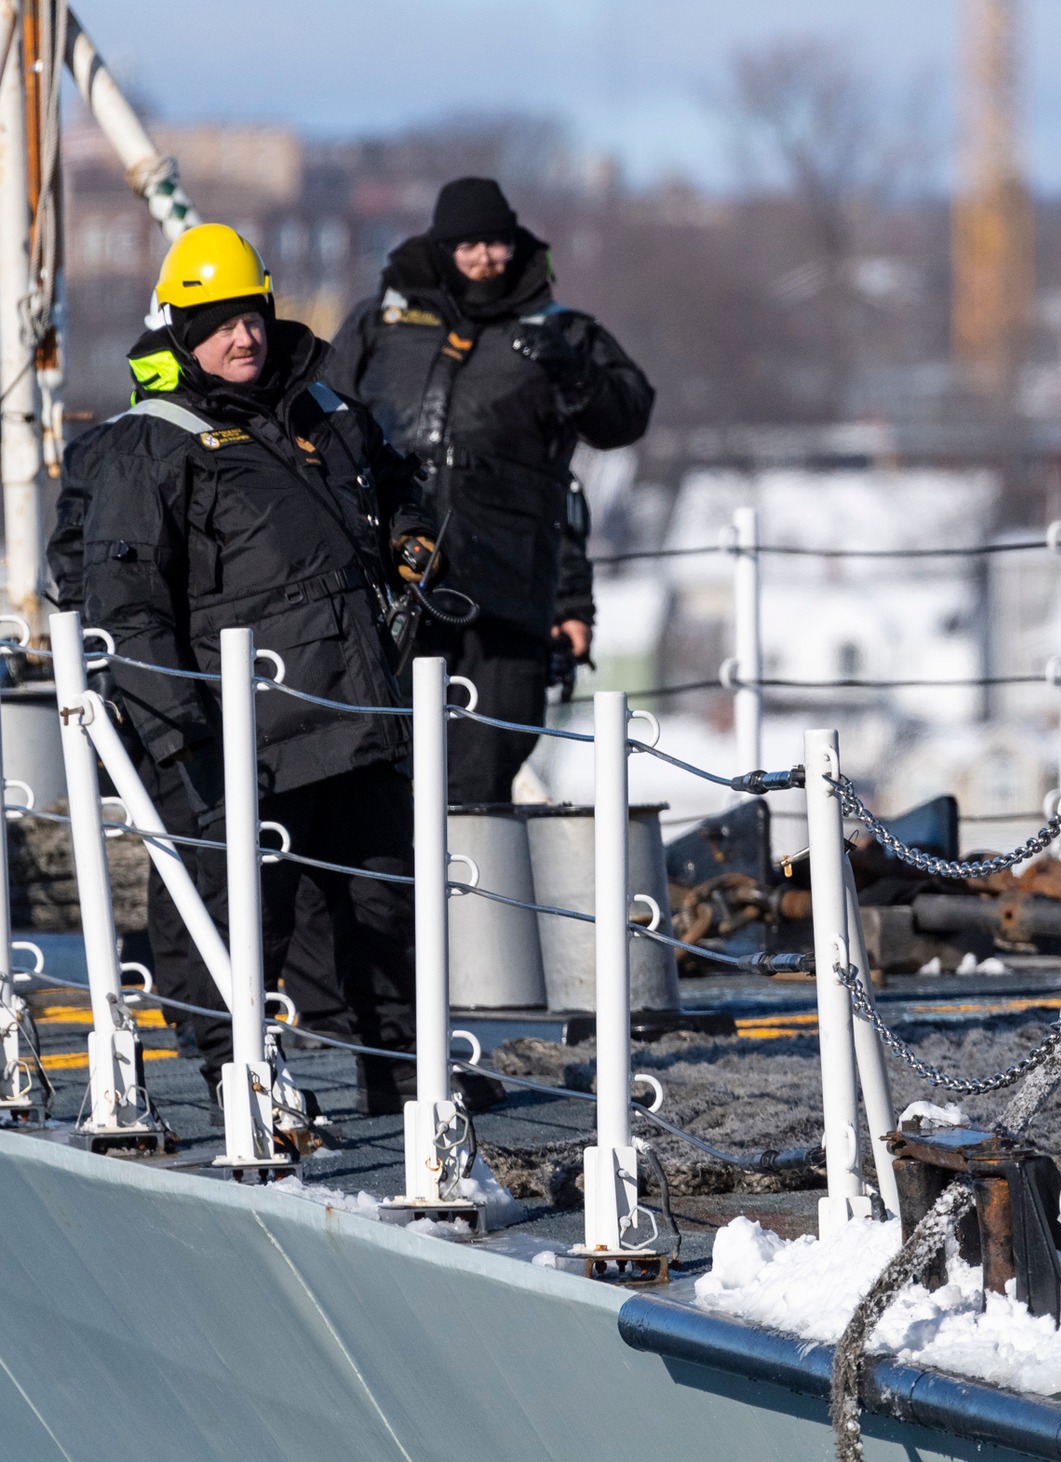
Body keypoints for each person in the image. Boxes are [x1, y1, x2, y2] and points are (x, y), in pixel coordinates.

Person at [63, 223, 431, 1113]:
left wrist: (413, 535)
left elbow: (397, 483)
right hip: (242, 738)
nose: (245, 337)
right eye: (220, 323)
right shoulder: (148, 446)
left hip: (357, 717)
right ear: (184, 334)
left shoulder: (325, 412)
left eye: (253, 317)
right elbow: (128, 610)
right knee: (237, 919)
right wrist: (177, 740)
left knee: (384, 905)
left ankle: (408, 1084)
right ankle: (241, 1084)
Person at [326, 177, 654, 801]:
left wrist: (573, 370)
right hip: (392, 588)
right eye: (469, 245)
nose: (484, 258)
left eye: (497, 244)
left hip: (507, 592)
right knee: (379, 774)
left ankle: (473, 891)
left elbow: (623, 422)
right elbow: (320, 427)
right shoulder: (379, 327)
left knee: (481, 768)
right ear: (442, 247)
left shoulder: (563, 333)